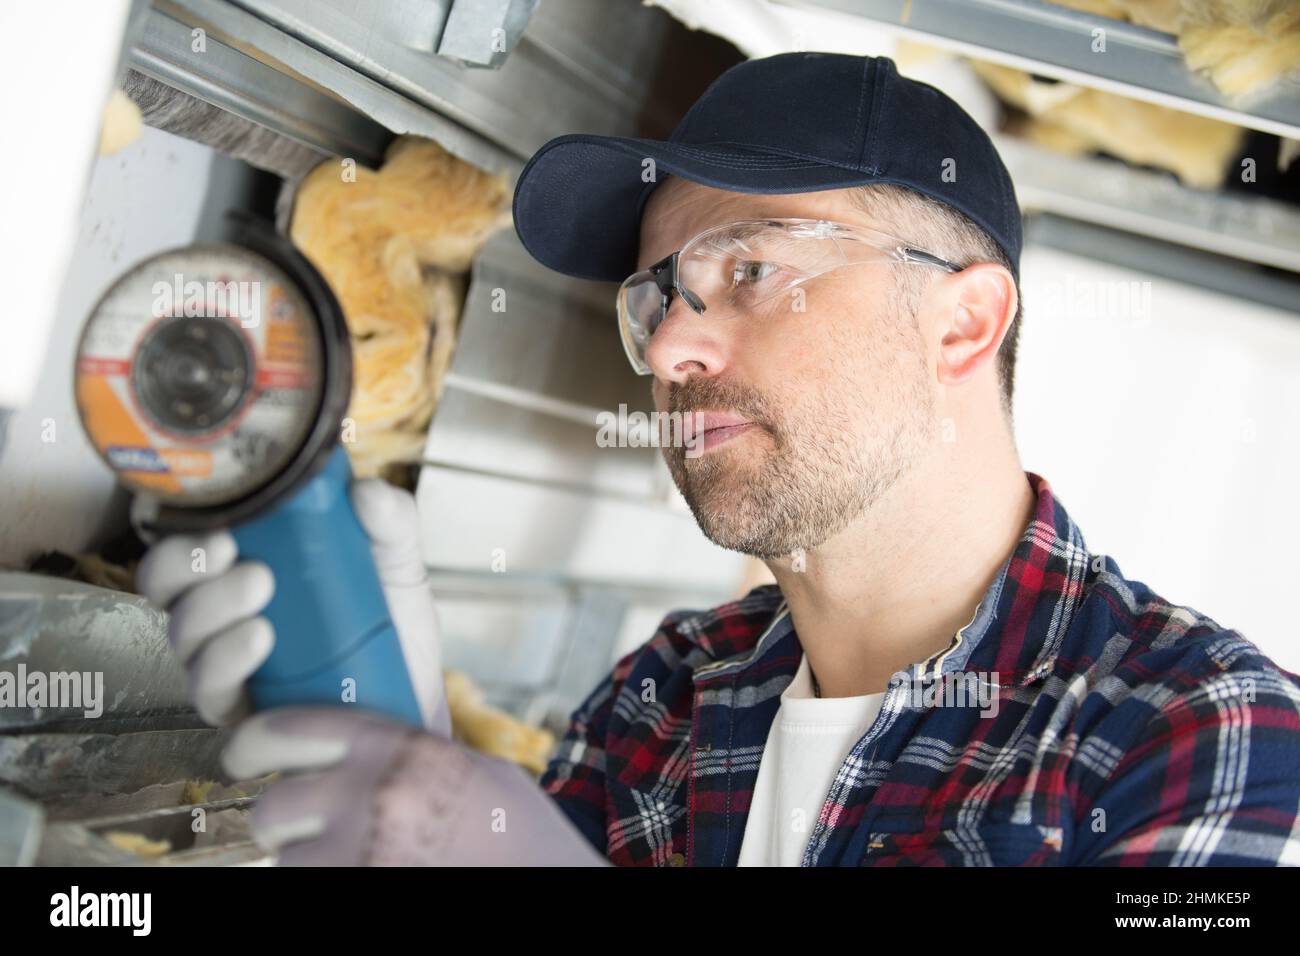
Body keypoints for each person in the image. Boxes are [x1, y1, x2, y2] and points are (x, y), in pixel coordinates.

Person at [138, 52, 1300, 866]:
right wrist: (382, 729)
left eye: (750, 268)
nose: (675, 344)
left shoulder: (1202, 734)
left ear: (961, 322)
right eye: (659, 295)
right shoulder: (674, 692)